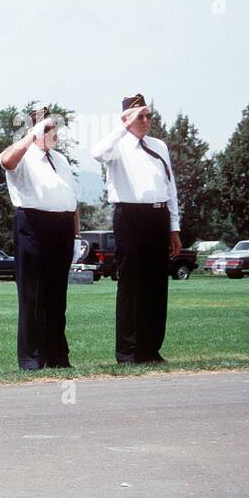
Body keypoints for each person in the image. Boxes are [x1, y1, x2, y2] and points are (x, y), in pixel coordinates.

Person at [91, 94, 181, 364]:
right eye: (139, 116)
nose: (145, 121)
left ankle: (150, 349)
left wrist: (174, 228)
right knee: (131, 284)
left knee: (156, 285)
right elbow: (97, 152)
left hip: (158, 215)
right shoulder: (117, 145)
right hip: (129, 217)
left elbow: (170, 188)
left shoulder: (159, 146)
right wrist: (123, 126)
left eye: (148, 115)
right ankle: (128, 352)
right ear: (126, 118)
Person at [0, 107, 80, 369]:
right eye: (46, 128)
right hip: (34, 225)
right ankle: (32, 358)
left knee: (57, 296)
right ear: (32, 130)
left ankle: (57, 355)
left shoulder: (61, 160)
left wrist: (76, 235)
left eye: (54, 127)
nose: (52, 133)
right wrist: (31, 137)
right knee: (33, 295)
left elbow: (72, 200)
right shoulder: (24, 155)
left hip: (63, 227)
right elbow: (6, 161)